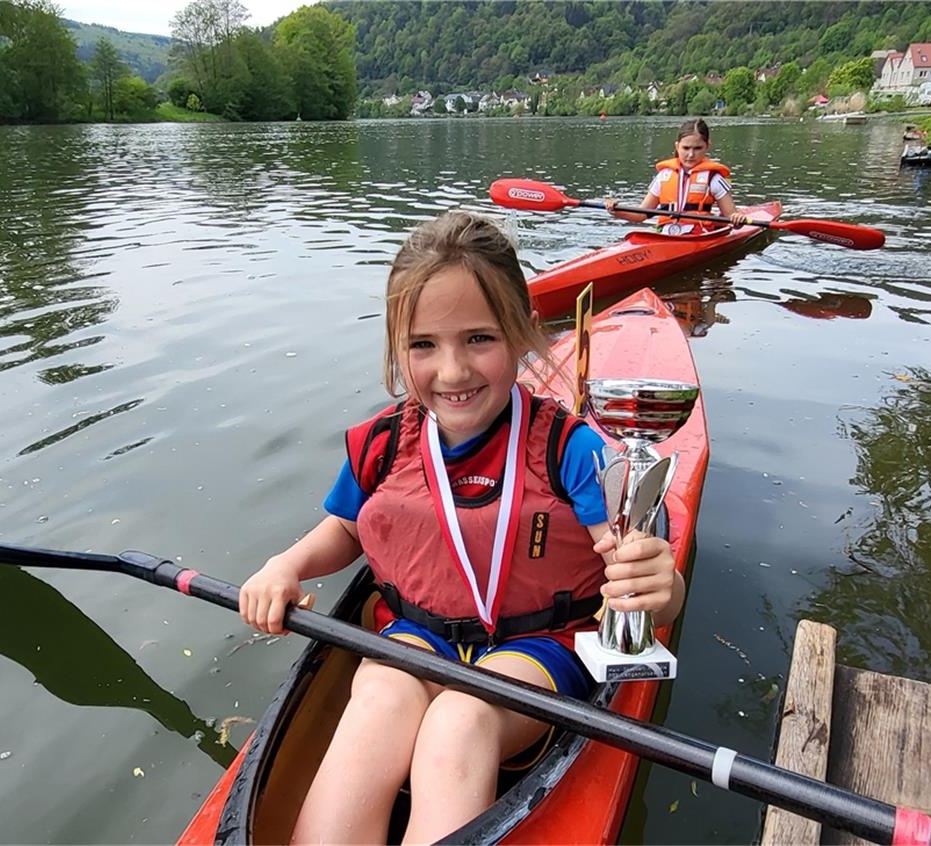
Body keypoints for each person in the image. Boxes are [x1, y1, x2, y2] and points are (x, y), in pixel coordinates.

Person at [239, 211, 685, 844]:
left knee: (458, 721)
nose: (452, 372)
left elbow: (640, 579)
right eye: (424, 345)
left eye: (479, 338)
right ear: (399, 350)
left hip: (540, 646)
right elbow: (345, 531)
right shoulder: (380, 445)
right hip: (418, 634)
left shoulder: (573, 451)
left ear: (525, 333)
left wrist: (660, 589)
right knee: (375, 702)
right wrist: (284, 566)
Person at [604, 118, 747, 233]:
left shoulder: (713, 178)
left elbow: (730, 217)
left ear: (707, 146)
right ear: (677, 146)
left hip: (699, 236)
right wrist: (616, 210)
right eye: (686, 148)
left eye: (698, 148)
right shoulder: (664, 176)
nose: (691, 154)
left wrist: (737, 220)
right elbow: (641, 215)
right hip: (665, 235)